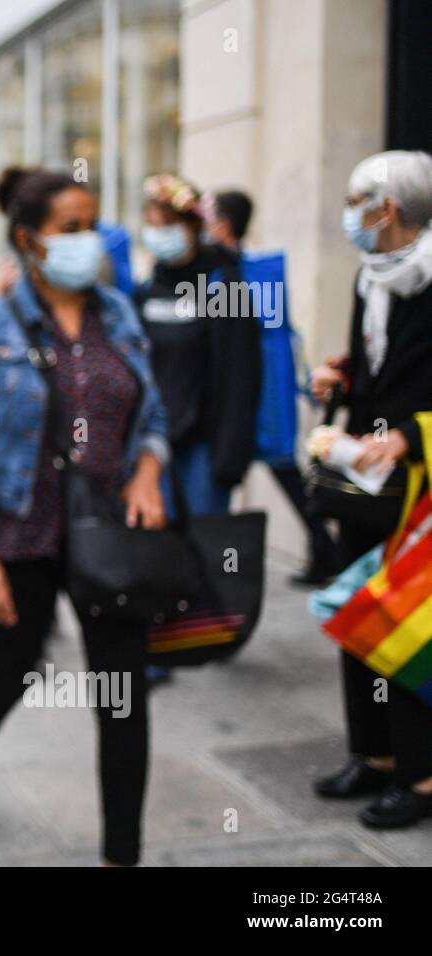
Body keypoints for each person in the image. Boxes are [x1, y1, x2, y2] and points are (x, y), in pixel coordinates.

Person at [0, 166, 169, 866]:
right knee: (14, 667)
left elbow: (152, 415)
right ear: (27, 239)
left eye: (93, 225)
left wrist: (150, 474)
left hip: (107, 529)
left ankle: (121, 854)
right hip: (20, 530)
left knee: (124, 694)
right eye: (70, 228)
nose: (89, 241)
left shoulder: (119, 313)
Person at [310, 150, 432, 829]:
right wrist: (345, 379)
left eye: (358, 199)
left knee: (409, 624)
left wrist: (411, 434)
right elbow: (385, 364)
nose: (350, 211)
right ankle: (375, 755)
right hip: (366, 474)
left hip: (420, 483)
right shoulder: (372, 276)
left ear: (388, 209)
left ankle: (420, 776)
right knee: (360, 615)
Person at [206, 189, 342, 586]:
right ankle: (324, 550)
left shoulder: (235, 275)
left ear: (224, 224)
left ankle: (322, 550)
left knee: (255, 472)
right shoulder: (251, 272)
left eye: (209, 216)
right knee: (281, 472)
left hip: (257, 392)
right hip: (263, 392)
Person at [135, 174, 261, 518]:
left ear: (193, 226)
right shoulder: (147, 290)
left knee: (205, 551)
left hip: (205, 447)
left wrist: (231, 456)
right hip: (154, 446)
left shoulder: (225, 286)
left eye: (167, 226)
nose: (158, 236)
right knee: (155, 551)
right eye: (152, 226)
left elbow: (242, 373)